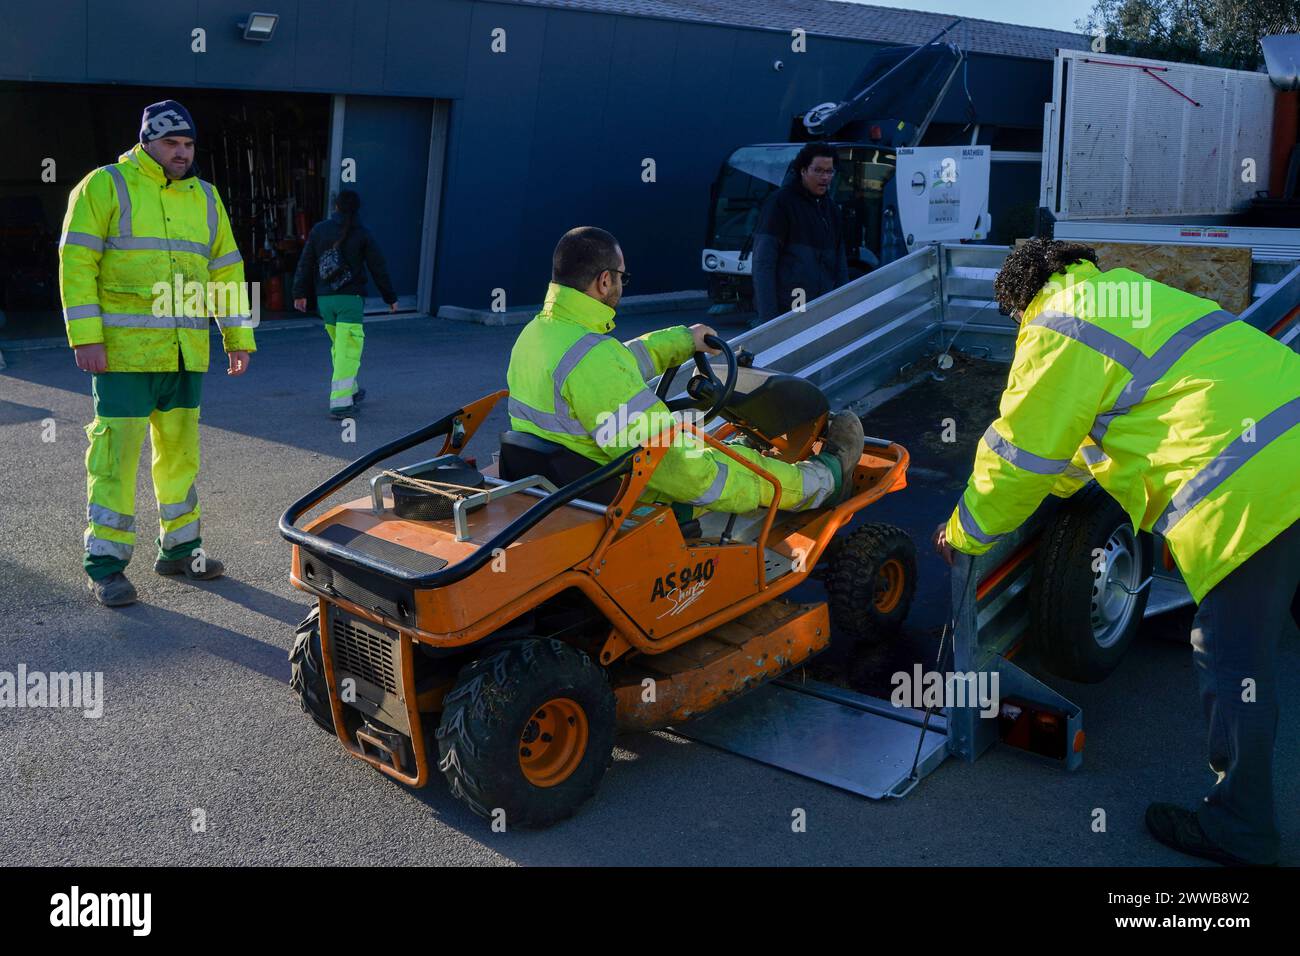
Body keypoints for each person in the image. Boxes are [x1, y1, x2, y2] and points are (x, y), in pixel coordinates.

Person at [932, 237, 1300, 867]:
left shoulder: (1056, 324)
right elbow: (1083, 437)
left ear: (1020, 305)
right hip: (1286, 441)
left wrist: (965, 532)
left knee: (1233, 659)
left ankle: (1241, 828)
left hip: (1249, 492)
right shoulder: (1130, 296)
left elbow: (1019, 455)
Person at [506, 227, 862, 517]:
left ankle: (746, 453)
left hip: (568, 483)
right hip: (631, 503)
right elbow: (685, 471)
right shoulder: (593, 361)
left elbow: (617, 365)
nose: (620, 285)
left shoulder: (540, 335)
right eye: (621, 277)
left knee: (706, 448)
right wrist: (752, 472)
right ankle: (821, 484)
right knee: (707, 461)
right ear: (603, 281)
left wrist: (684, 341)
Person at [59, 99, 256, 608]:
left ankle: (180, 550)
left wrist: (237, 337)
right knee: (115, 459)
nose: (182, 152)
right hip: (123, 356)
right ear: (147, 141)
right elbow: (77, 261)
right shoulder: (106, 185)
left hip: (184, 354)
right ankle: (105, 567)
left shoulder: (206, 198)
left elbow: (226, 272)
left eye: (188, 144)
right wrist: (86, 337)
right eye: (171, 143)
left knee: (180, 458)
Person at [292, 189, 398, 418]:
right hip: (350, 301)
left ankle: (352, 389)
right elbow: (377, 267)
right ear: (357, 209)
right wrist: (390, 298)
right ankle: (341, 404)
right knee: (348, 351)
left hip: (325, 301)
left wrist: (300, 293)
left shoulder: (319, 230)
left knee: (340, 350)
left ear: (336, 207)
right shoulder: (362, 233)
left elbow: (305, 262)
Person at [751, 142, 849, 324]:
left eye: (829, 172)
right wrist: (768, 320)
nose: (825, 177)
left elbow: (840, 263)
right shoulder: (780, 203)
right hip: (791, 307)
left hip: (823, 306)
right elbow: (763, 263)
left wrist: (842, 305)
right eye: (818, 170)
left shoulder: (832, 210)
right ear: (803, 171)